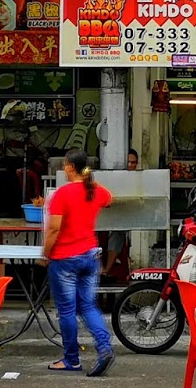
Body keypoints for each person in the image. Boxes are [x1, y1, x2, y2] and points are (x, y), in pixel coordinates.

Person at [43, 148, 114, 376]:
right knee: (88, 305)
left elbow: (53, 229)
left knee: (67, 310)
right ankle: (104, 347)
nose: (63, 167)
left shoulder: (62, 194)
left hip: (65, 257)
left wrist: (45, 254)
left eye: (65, 164)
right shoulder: (95, 190)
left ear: (70, 167)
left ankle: (71, 359)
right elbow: (109, 200)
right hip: (90, 255)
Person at [100, 150, 140, 279]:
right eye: (128, 162)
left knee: (118, 233)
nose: (130, 165)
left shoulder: (139, 180)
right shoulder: (112, 177)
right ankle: (99, 267)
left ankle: (107, 269)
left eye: (133, 162)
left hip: (125, 217)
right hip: (105, 215)